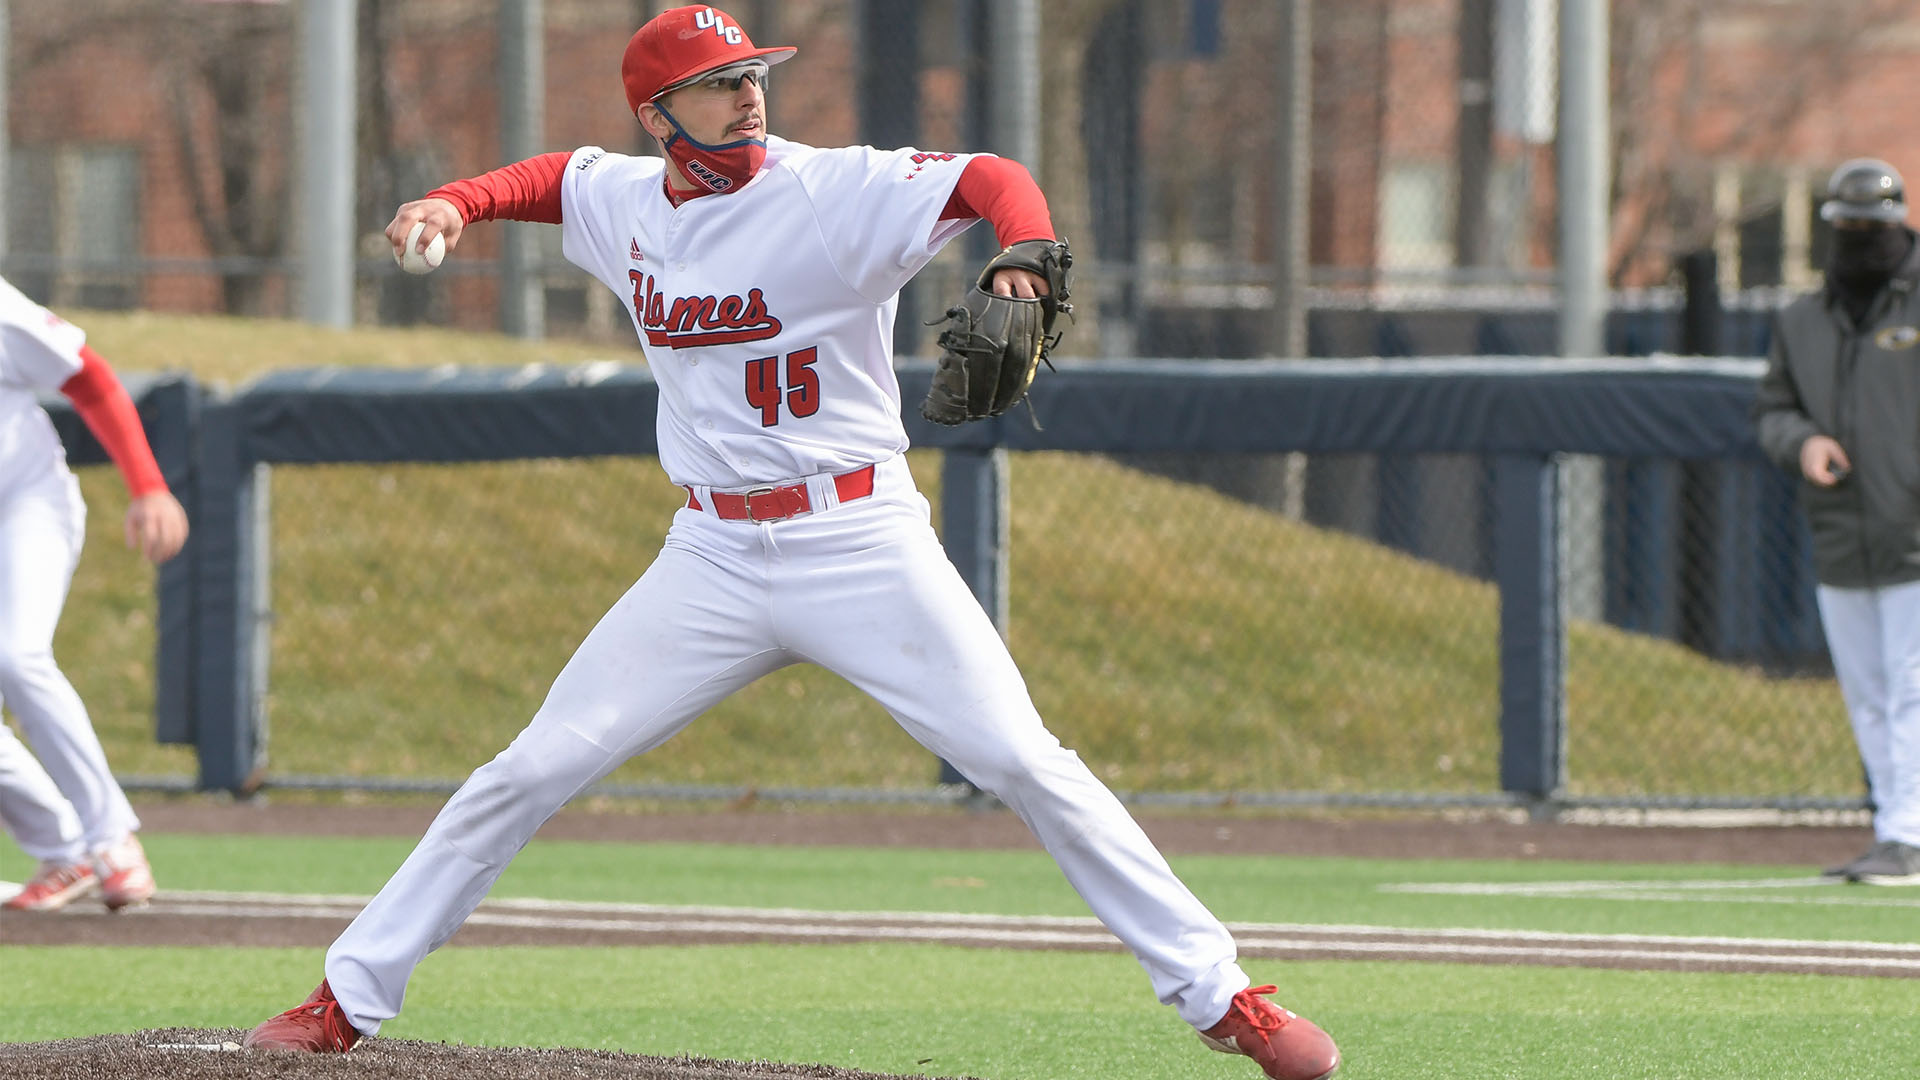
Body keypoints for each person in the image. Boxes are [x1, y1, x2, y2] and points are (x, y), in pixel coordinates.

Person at [241, 6, 1339, 1078]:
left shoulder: (831, 190)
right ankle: (346, 1000)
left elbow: (990, 175)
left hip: (858, 536)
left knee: (1023, 760)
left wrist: (1024, 249)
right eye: (718, 84)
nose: (748, 95)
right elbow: (550, 179)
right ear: (657, 117)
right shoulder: (626, 201)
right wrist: (452, 200)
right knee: (530, 767)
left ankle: (1222, 996)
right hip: (711, 555)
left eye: (752, 75)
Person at [1755, 157, 1920, 886]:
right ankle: (1895, 827)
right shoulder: (1802, 320)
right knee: (1868, 693)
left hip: (1913, 527)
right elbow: (1773, 410)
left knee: (1912, 685)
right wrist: (1805, 444)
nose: (1860, 236)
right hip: (1841, 532)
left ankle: (1908, 833)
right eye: (1848, 224)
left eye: (1871, 225)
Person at [0, 275, 189, 912]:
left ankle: (111, 840)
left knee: (17, 657)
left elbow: (89, 378)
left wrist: (148, 486)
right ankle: (65, 850)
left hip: (27, 507)